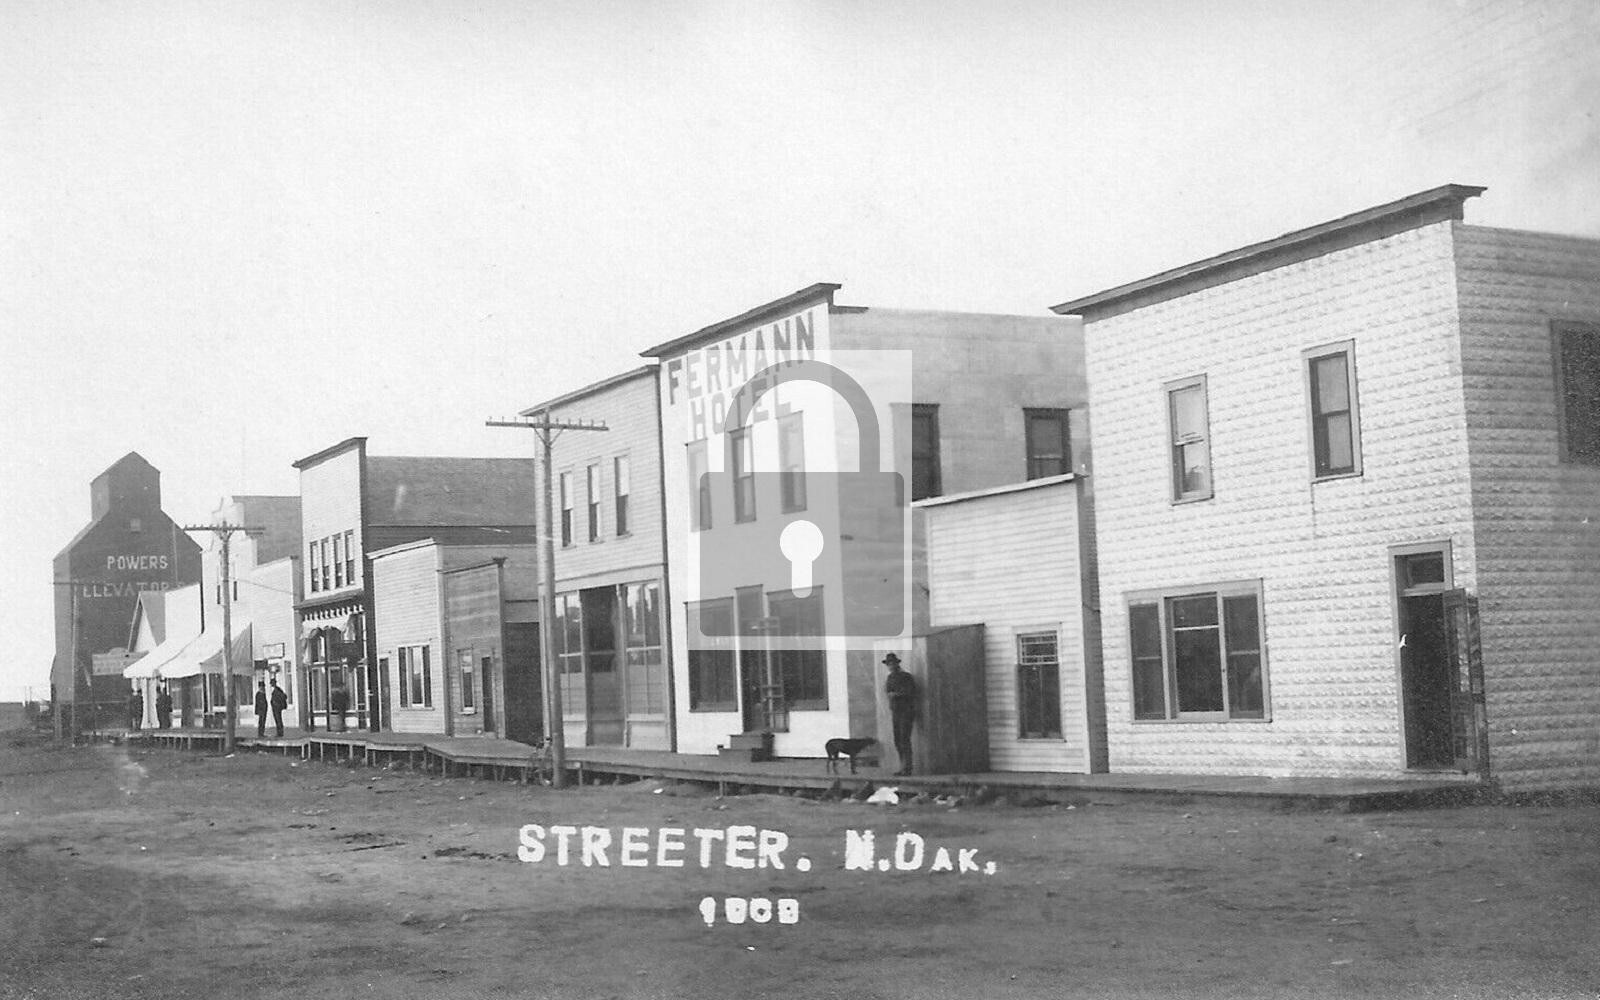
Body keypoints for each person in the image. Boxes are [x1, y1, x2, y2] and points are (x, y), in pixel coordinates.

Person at [883, 652, 917, 776]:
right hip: (896, 711)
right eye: (888, 664)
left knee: (904, 738)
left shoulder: (906, 677)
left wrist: (897, 694)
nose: (890, 666)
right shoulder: (890, 678)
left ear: (897, 664)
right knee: (897, 739)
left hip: (906, 711)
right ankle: (902, 766)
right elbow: (887, 691)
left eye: (892, 663)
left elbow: (911, 691)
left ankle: (907, 767)